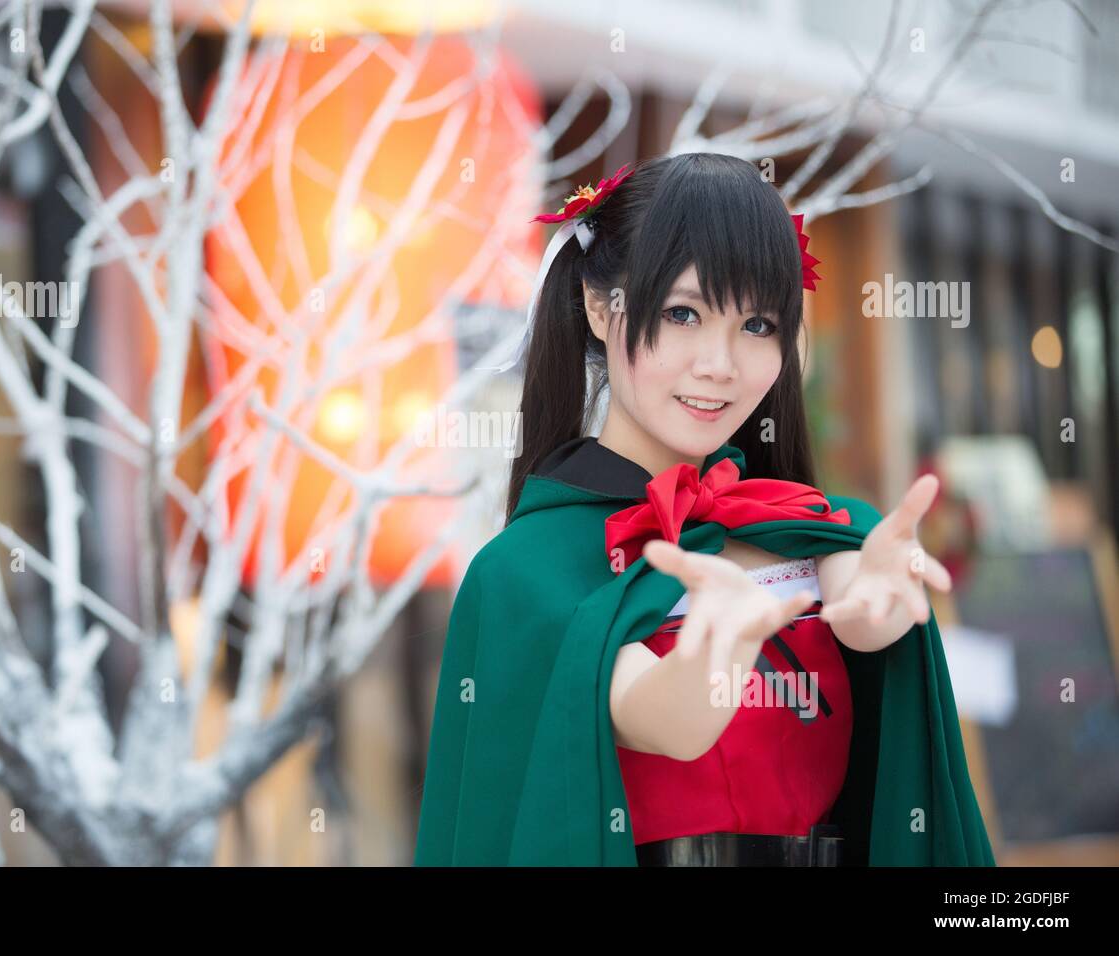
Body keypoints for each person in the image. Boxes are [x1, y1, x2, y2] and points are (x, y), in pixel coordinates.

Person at [414, 152, 995, 866]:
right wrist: (718, 651)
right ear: (601, 308)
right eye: (682, 313)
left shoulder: (812, 528)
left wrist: (881, 603)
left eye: (757, 325)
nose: (720, 364)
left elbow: (863, 615)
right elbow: (663, 722)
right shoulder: (523, 576)